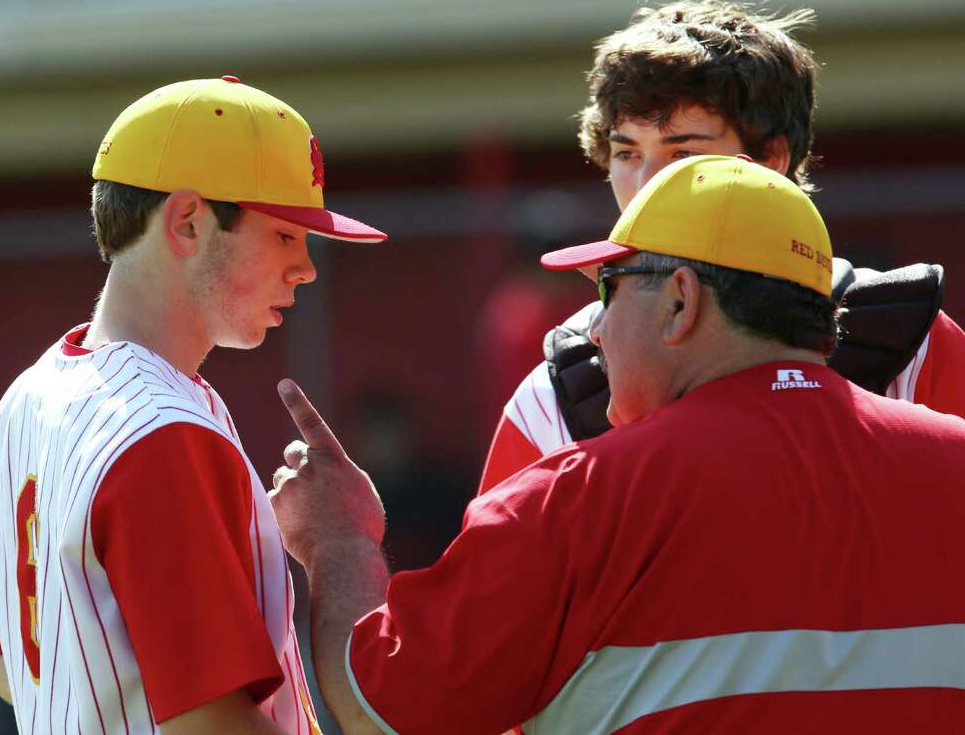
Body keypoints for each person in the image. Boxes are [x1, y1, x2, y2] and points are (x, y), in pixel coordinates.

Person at [270, 154, 965, 734]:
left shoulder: (580, 496)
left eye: (610, 287)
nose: (594, 328)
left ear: (680, 301)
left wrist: (337, 544)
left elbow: (381, 703)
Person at [0, 76, 385, 735]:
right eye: (283, 235)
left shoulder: (31, 395)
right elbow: (211, 725)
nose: (306, 267)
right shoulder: (159, 430)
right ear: (187, 221)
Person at [479, 0, 965, 495]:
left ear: (770, 158)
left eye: (683, 153)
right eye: (627, 153)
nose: (646, 183)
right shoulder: (562, 386)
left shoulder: (905, 338)